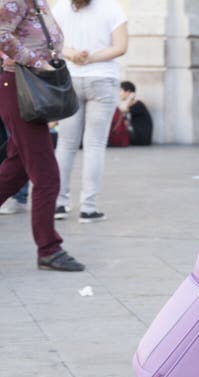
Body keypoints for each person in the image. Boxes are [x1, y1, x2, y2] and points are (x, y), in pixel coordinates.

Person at [0, 0, 84, 271]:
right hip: (19, 86)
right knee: (46, 174)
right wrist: (39, 63)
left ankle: (48, 248)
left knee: (15, 169)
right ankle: (49, 249)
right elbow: (1, 34)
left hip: (29, 86)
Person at [52, 0, 128, 223]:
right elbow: (121, 46)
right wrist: (91, 58)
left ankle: (59, 204)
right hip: (102, 78)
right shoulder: (112, 7)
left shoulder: (60, 8)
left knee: (65, 144)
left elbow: (50, 43)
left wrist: (73, 55)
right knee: (94, 145)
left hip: (70, 79)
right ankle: (88, 208)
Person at [117, 81, 153, 146]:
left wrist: (129, 98)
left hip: (141, 139)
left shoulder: (138, 105)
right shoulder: (131, 106)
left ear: (128, 92)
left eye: (120, 91)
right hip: (135, 135)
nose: (119, 94)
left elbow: (122, 110)